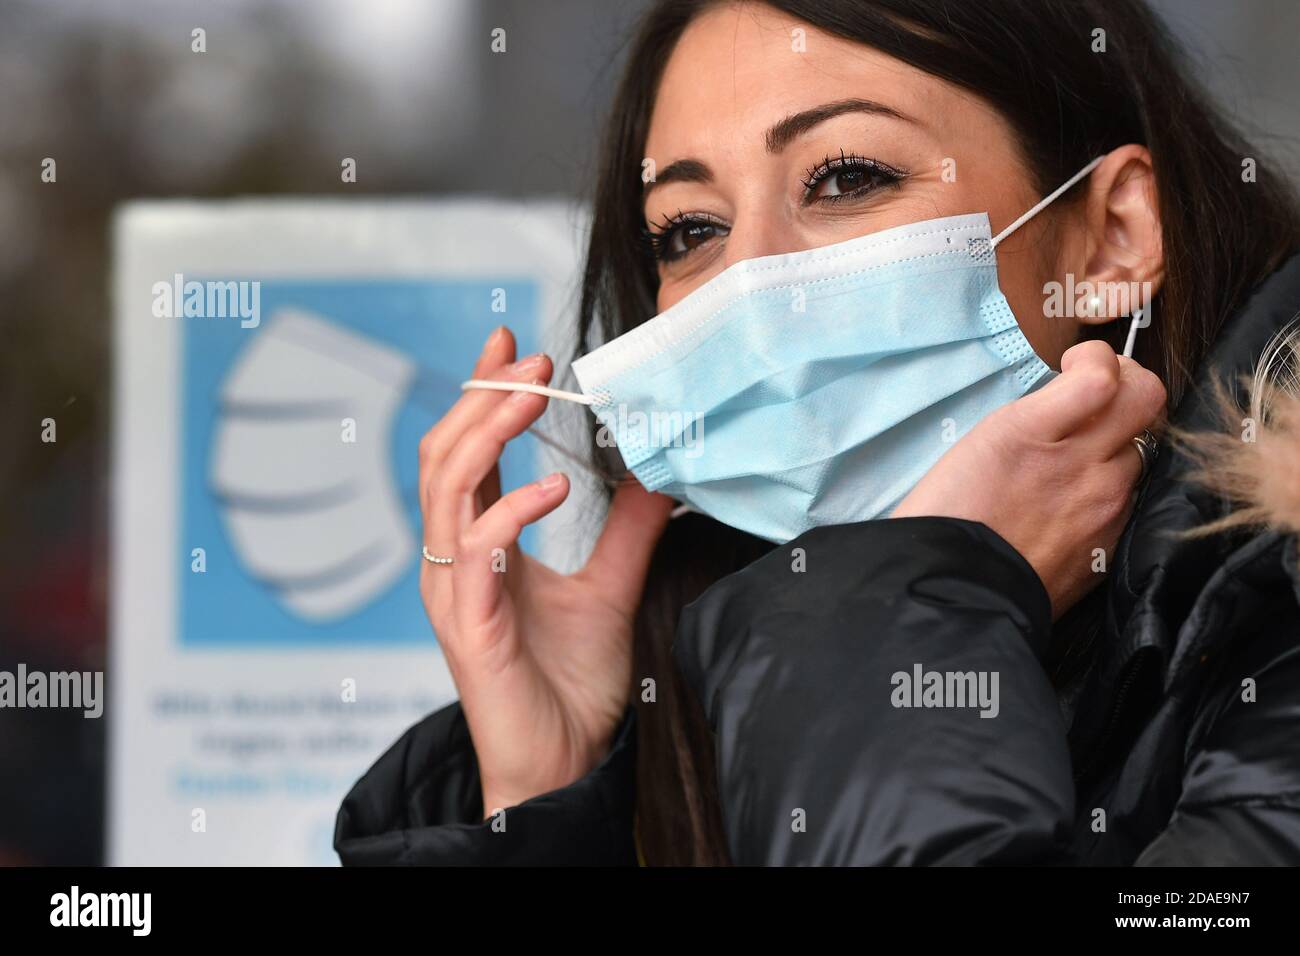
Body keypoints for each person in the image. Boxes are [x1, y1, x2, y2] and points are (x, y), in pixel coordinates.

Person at [335, 0, 1300, 865]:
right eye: (689, 230)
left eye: (844, 178)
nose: (752, 289)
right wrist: (549, 802)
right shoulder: (729, 669)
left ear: (1113, 232)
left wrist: (899, 610)